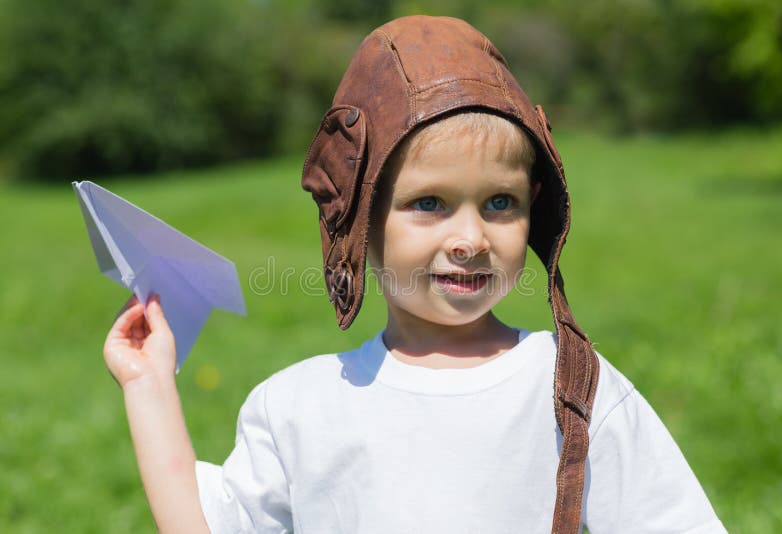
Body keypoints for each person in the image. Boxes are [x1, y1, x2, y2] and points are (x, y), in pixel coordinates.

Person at [103, 16, 726, 533]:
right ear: (359, 223)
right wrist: (147, 385)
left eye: (500, 203)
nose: (471, 239)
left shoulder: (573, 390)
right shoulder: (300, 407)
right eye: (429, 204)